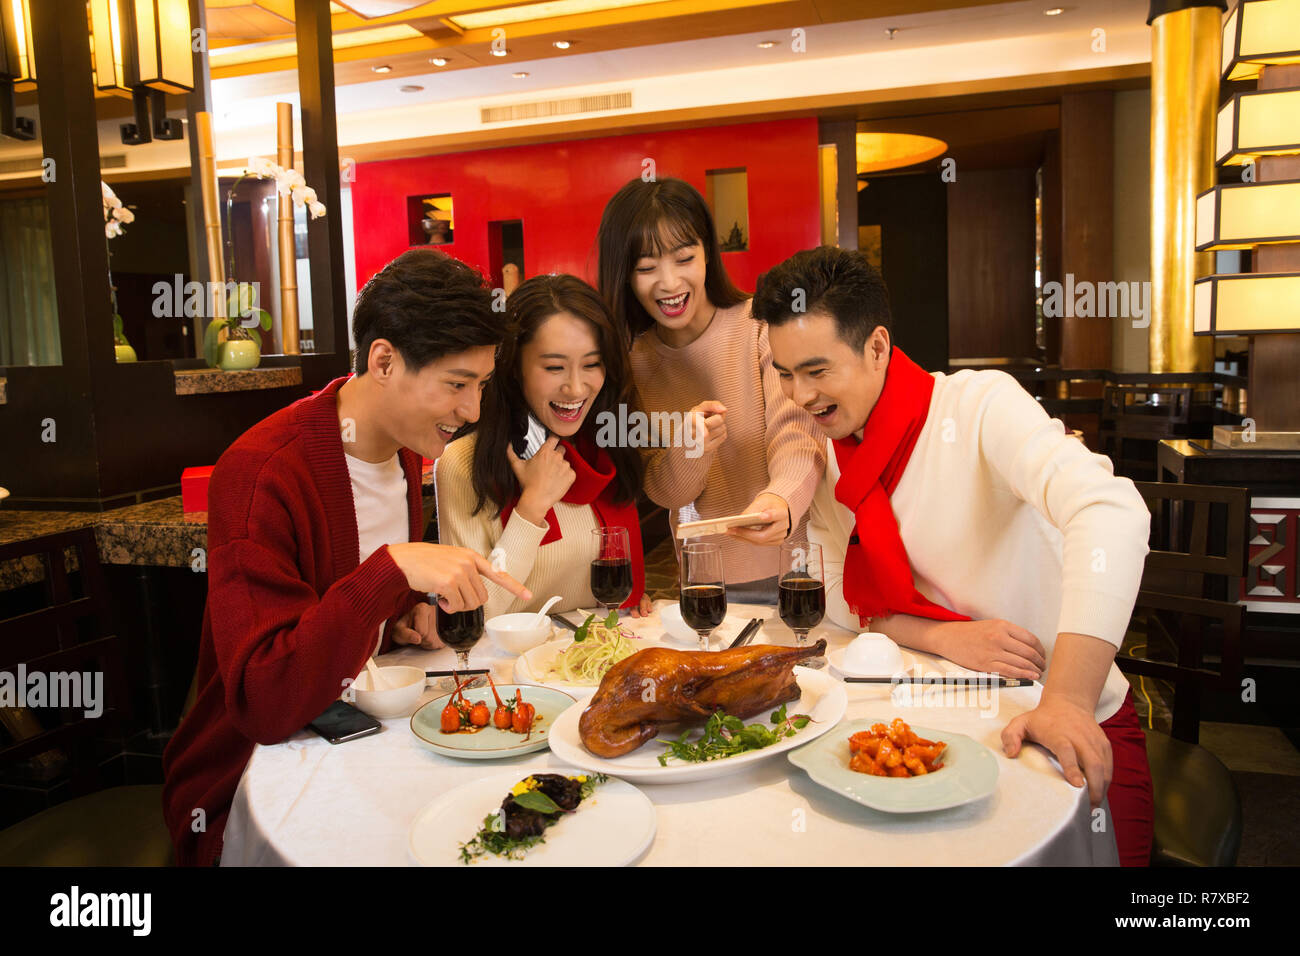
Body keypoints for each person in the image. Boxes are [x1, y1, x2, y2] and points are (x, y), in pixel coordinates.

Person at [751, 245, 1154, 866]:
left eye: (816, 370)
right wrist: (940, 637)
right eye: (783, 373)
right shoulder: (833, 455)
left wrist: (1069, 702)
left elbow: (1113, 513)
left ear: (878, 346)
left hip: (1057, 708)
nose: (799, 395)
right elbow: (835, 584)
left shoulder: (978, 407)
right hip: (940, 710)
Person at [161, 249, 530, 866]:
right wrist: (388, 573)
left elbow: (349, 615)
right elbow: (265, 699)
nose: (471, 411)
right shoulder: (263, 473)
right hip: (249, 778)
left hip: (362, 740)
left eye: (482, 386)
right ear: (383, 360)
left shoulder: (409, 455)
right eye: (457, 384)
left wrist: (399, 615)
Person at [596, 176, 825, 599]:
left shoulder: (759, 325)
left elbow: (795, 433)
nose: (668, 283)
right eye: (646, 268)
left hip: (797, 569)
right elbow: (666, 492)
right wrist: (689, 448)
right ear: (624, 276)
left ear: (707, 254)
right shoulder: (630, 362)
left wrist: (782, 499)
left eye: (685, 258)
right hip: (706, 579)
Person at [437, 274, 653, 619]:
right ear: (513, 367)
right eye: (554, 367)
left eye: (592, 364)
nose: (576, 387)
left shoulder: (603, 447)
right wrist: (531, 506)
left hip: (595, 654)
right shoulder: (462, 463)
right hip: (516, 668)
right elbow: (476, 611)